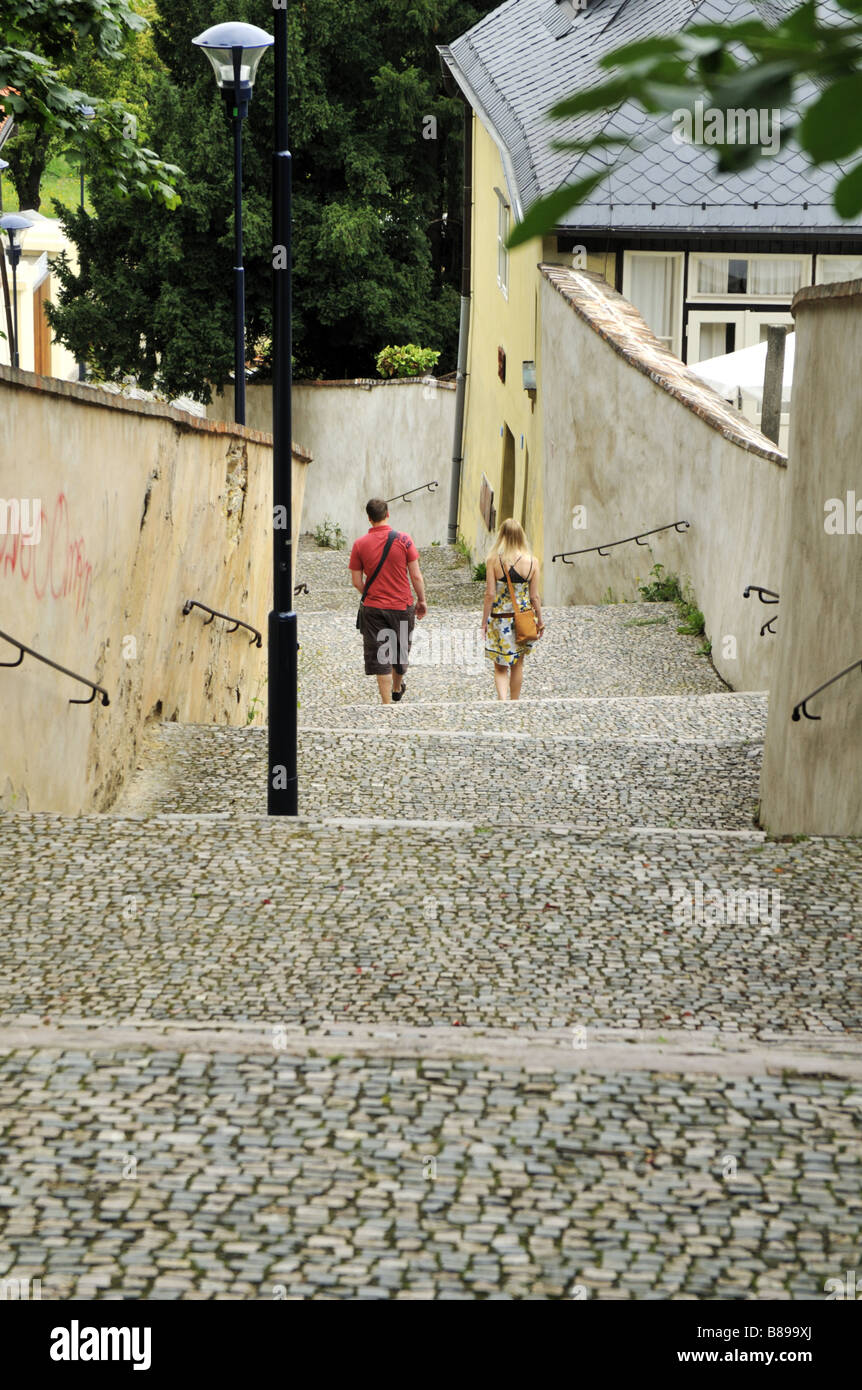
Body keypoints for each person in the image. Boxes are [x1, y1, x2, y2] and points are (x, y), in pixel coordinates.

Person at [349, 498, 428, 704]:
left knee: (381, 654)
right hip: (402, 606)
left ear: (369, 518)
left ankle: (386, 704)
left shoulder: (359, 545)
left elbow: (357, 581)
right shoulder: (404, 540)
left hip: (373, 608)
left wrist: (372, 593)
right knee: (400, 650)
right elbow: (416, 576)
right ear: (388, 514)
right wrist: (422, 600)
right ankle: (396, 687)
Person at [481, 518, 544, 701]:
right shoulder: (533, 562)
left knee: (500, 666)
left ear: (502, 536)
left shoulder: (494, 561)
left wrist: (484, 622)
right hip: (523, 619)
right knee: (518, 663)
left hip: (500, 619)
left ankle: (502, 701)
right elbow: (534, 597)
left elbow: (490, 594)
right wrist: (540, 620)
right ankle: (514, 702)